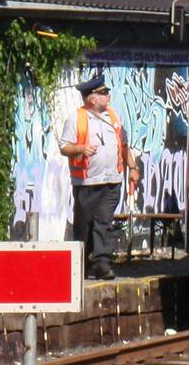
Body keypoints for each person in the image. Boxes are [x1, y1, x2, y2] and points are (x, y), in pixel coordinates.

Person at [59, 73, 139, 280]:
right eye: (103, 93)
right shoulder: (77, 118)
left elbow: (123, 145)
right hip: (87, 182)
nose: (108, 95)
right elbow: (64, 147)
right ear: (92, 98)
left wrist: (133, 167)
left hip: (112, 181)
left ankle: (102, 264)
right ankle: (81, 264)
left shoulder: (114, 116)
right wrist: (81, 148)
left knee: (104, 222)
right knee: (84, 225)